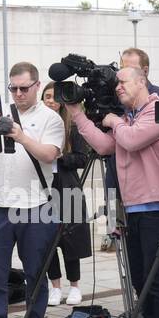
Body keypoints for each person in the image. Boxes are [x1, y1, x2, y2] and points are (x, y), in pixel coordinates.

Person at [71, 65, 159, 318]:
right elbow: (108, 146)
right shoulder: (130, 118)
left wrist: (112, 120)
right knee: (141, 276)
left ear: (142, 81)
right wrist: (77, 114)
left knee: (157, 276)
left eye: (122, 82)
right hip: (135, 207)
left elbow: (131, 140)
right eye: (116, 82)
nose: (117, 87)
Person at [0, 62, 65, 318]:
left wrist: (20, 134)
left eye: (24, 88)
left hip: (35, 205)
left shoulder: (51, 119)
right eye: (13, 88)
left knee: (36, 272)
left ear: (37, 86)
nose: (19, 93)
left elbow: (49, 154)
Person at [99, 48, 159, 253]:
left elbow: (133, 138)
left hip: (149, 189)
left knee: (153, 265)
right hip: (116, 171)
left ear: (144, 72)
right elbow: (105, 138)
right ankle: (111, 233)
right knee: (128, 250)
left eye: (130, 68)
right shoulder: (117, 93)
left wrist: (116, 121)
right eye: (121, 67)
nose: (122, 74)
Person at [43, 82, 93, 306]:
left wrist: (59, 156)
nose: (50, 100)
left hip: (67, 186)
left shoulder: (71, 125)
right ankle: (55, 286)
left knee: (70, 237)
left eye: (54, 97)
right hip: (41, 188)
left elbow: (83, 158)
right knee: (47, 239)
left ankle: (75, 286)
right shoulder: (35, 125)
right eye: (46, 96)